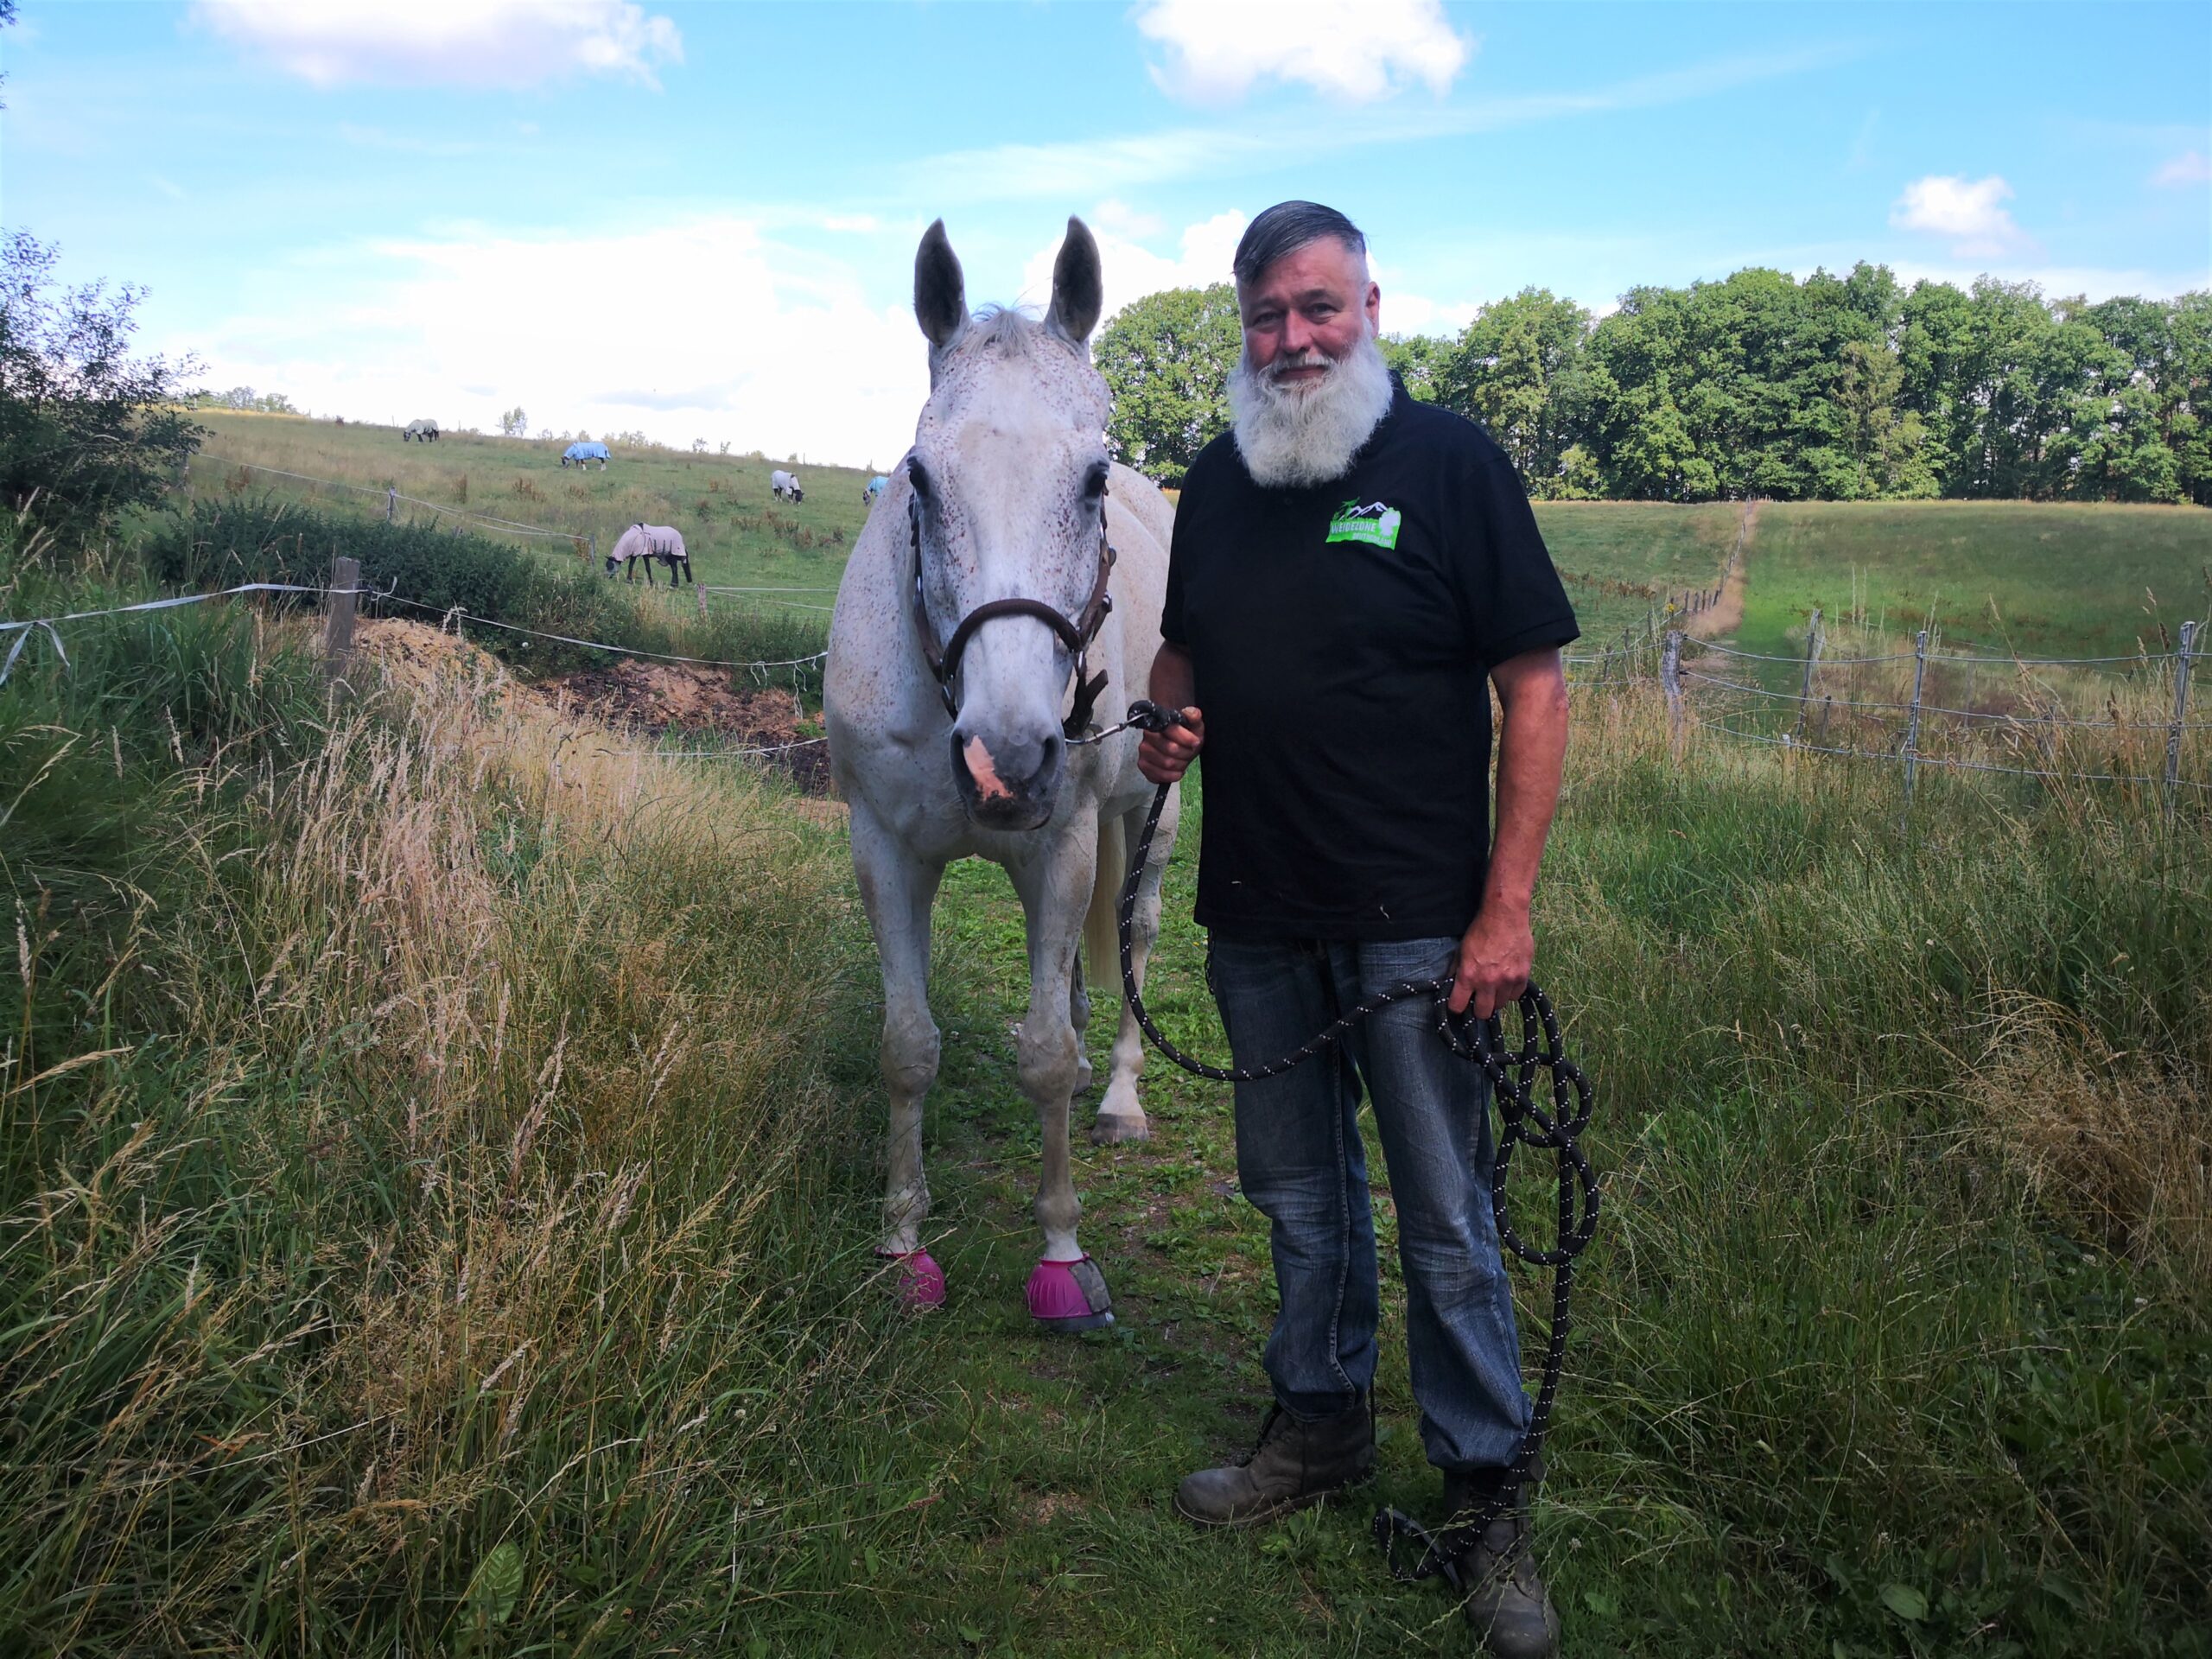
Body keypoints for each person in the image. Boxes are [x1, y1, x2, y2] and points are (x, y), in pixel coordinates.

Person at [1138, 201, 1577, 1659]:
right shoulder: (1218, 479)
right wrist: (1163, 724)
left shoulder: (1450, 464)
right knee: (1299, 1198)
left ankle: (1484, 1493)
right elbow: (1182, 653)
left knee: (1446, 1217)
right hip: (1258, 910)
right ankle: (1319, 1425)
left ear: (1371, 308)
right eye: (1267, 316)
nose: (1293, 340)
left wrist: (1505, 908)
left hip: (1417, 921)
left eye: (1318, 307)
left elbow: (1534, 687)